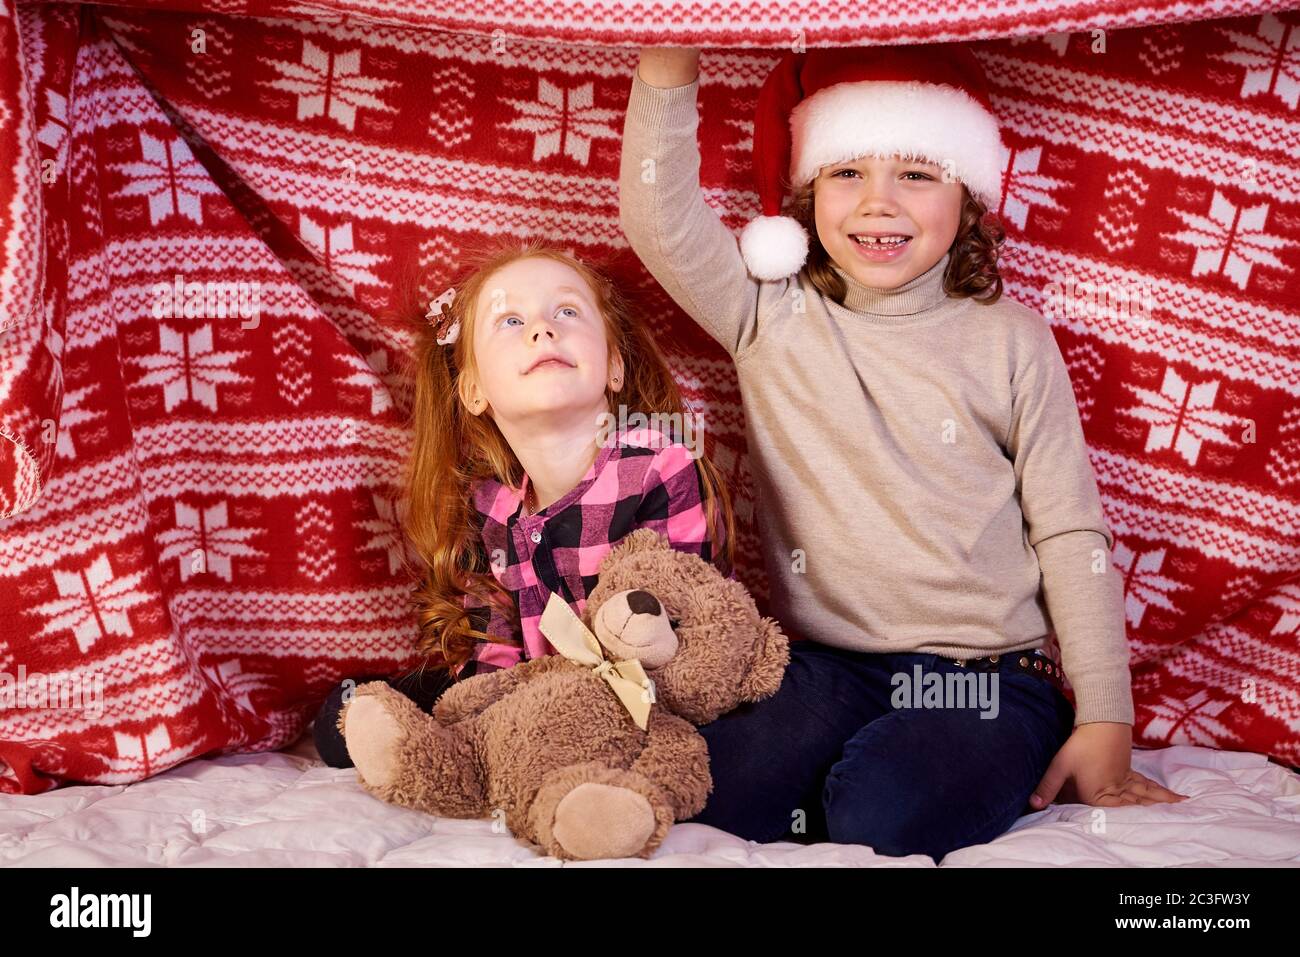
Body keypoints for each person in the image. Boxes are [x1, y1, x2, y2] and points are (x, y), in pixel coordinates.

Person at [618, 44, 1186, 862]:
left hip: (987, 675)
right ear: (808, 198)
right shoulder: (767, 315)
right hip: (827, 668)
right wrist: (669, 57)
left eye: (917, 173)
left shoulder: (1013, 342)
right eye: (847, 172)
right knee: (709, 784)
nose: (878, 202)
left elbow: (1070, 532)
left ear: (969, 198)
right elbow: (658, 218)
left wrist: (1105, 716)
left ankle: (945, 760)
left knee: (879, 815)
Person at [313, 241, 735, 768]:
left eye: (567, 312)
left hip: (644, 693)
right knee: (339, 717)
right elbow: (494, 652)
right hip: (531, 690)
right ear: (473, 390)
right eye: (510, 321)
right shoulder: (490, 504)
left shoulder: (658, 464)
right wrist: (490, 706)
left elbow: (680, 626)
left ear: (614, 366)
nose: (543, 330)